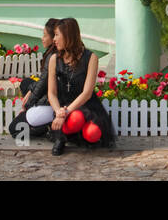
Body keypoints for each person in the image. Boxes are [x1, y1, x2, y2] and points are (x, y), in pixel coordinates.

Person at [47, 16, 117, 155]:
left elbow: (87, 93)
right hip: (63, 106)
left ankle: (81, 135)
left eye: (56, 35)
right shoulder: (54, 59)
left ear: (68, 35)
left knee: (93, 133)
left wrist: (65, 113)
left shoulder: (91, 58)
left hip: (86, 105)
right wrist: (59, 112)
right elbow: (52, 93)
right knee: (75, 119)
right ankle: (61, 138)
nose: (53, 39)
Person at [7, 18, 61, 141]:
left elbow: (42, 86)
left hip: (52, 103)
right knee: (27, 83)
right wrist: (31, 90)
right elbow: (43, 82)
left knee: (14, 129)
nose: (42, 38)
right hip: (50, 94)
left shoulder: (53, 56)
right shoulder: (52, 53)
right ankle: (42, 124)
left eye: (45, 35)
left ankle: (44, 128)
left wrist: (26, 107)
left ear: (53, 38)